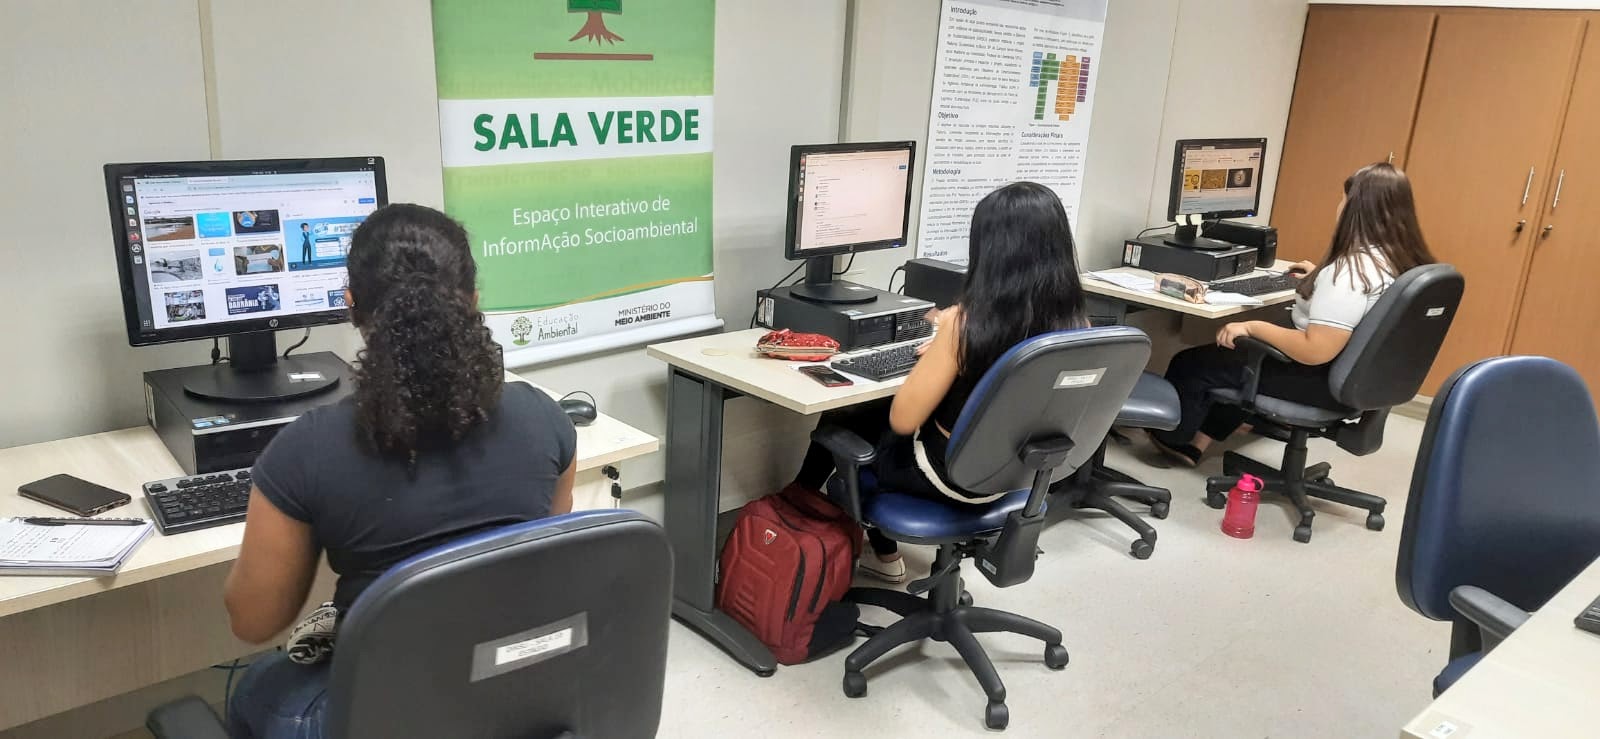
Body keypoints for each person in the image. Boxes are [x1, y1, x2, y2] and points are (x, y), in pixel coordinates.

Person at [221, 204, 577, 738]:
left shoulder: (306, 450)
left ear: (351, 307)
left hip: (386, 717)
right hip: (513, 699)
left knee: (259, 684)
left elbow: (253, 621)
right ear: (474, 301)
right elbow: (540, 563)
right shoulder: (545, 419)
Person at [786, 181, 1089, 583]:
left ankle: (794, 521)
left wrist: (944, 343)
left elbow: (903, 420)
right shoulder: (1075, 326)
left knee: (849, 412)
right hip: (1016, 477)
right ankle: (876, 550)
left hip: (944, 478)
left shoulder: (964, 325)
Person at [1149, 162, 1436, 466]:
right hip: (1356, 381)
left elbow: (1315, 350)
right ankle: (1200, 441)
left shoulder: (1350, 273)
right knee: (1246, 355)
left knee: (1194, 363)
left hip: (1319, 381)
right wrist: (1320, 279)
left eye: (1343, 200)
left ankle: (1175, 439)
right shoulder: (1397, 262)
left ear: (1355, 210)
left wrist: (1253, 327)